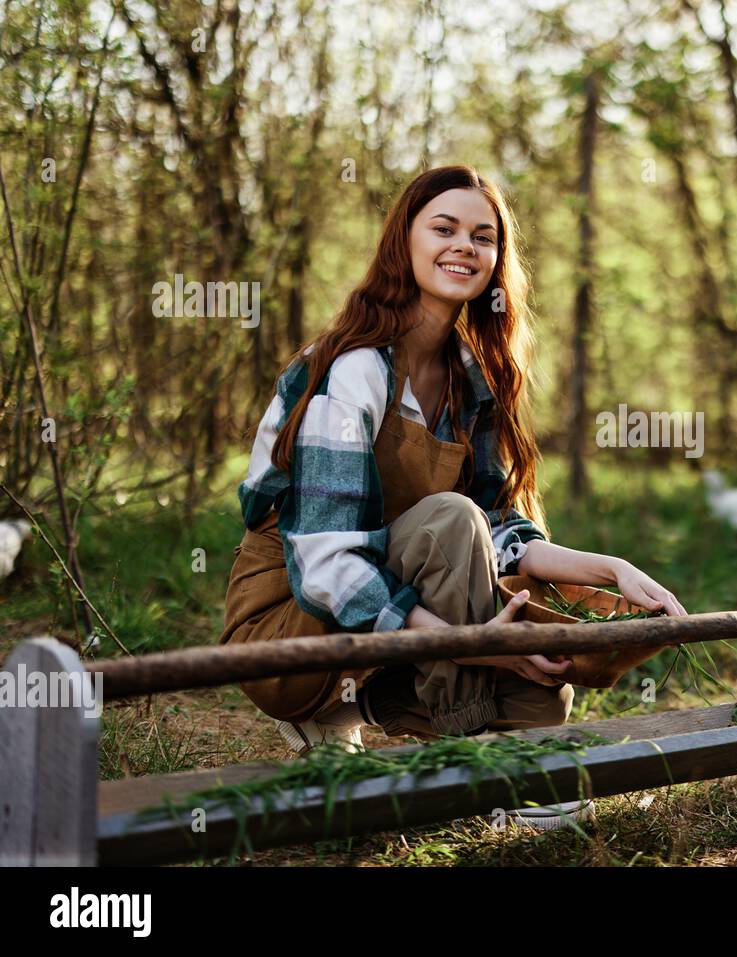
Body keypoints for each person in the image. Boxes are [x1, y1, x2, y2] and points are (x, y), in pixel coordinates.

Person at [220, 164, 686, 754]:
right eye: (444, 228)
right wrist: (474, 645)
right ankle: (467, 746)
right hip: (288, 633)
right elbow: (327, 564)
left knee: (542, 686)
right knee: (450, 521)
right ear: (404, 242)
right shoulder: (352, 371)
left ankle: (390, 715)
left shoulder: (473, 381)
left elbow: (495, 525)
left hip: (391, 617)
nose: (464, 245)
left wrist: (610, 569)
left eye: (483, 236)